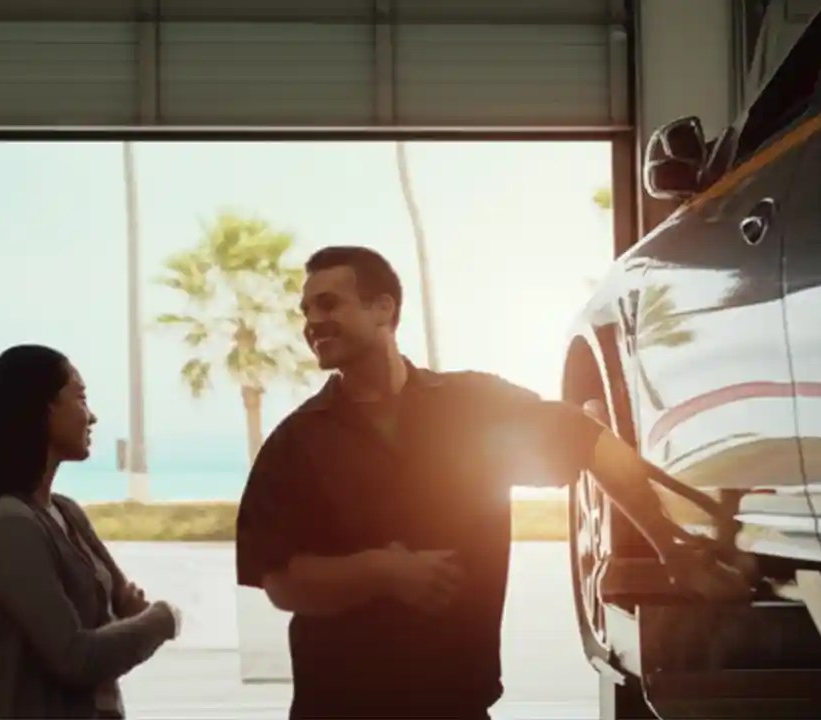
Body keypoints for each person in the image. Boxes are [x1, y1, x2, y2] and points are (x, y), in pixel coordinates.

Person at [235, 246, 755, 719]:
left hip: (458, 704)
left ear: (383, 309)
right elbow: (283, 583)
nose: (313, 323)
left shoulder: (474, 404)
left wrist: (670, 546)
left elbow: (591, 443)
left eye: (328, 305)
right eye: (307, 311)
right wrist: (384, 571)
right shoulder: (295, 443)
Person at [0, 345, 183, 719]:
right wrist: (164, 618)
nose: (91, 417)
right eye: (80, 397)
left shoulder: (67, 512)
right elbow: (77, 658)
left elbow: (123, 604)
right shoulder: (9, 527)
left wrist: (132, 616)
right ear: (43, 410)